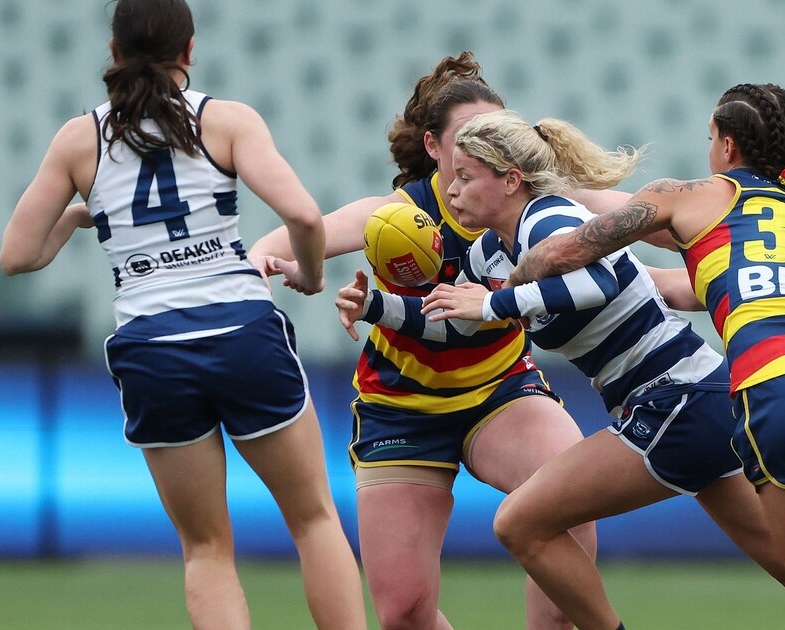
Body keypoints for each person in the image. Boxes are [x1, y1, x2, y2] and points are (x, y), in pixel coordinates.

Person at [505, 84, 785, 629]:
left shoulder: (689, 195)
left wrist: (506, 294)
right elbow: (690, 285)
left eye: (710, 138)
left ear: (728, 148)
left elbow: (560, 250)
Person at [0, 1, 367, 628]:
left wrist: (78, 215)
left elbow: (15, 257)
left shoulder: (78, 139)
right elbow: (305, 217)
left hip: (151, 346)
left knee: (205, 549)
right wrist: (308, 274)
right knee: (312, 518)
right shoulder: (225, 120)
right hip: (240, 330)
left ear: (113, 52)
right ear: (189, 51)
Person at [248, 52, 598, 630]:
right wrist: (264, 258)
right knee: (404, 614)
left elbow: (626, 219)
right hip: (401, 407)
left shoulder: (530, 209)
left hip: (502, 392)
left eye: (499, 136)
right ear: (434, 146)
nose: (488, 149)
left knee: (572, 510)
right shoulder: (395, 216)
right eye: (470, 138)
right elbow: (299, 234)